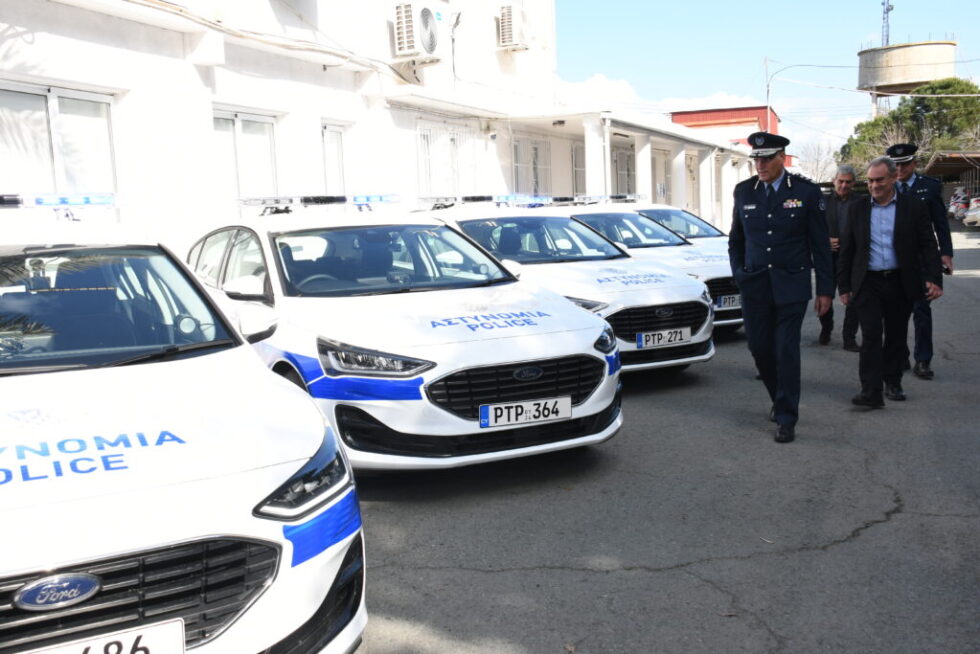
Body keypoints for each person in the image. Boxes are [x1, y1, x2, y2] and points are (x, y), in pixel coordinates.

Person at [729, 132, 833, 443]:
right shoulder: (744, 191)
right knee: (759, 348)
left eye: (765, 159)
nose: (759, 165)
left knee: (786, 350)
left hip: (791, 284)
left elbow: (820, 245)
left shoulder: (805, 192)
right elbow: (736, 241)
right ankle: (779, 397)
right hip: (755, 285)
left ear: (781, 158)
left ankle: (787, 417)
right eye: (756, 160)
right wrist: (739, 273)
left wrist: (825, 289)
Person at [838, 156, 943, 408]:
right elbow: (847, 250)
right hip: (868, 282)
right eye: (870, 181)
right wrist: (844, 286)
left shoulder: (913, 207)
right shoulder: (857, 209)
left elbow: (928, 244)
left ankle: (893, 382)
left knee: (896, 336)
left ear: (894, 178)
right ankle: (870, 392)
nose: (874, 186)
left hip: (900, 281)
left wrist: (934, 278)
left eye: (880, 180)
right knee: (871, 336)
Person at [886, 143, 953, 380]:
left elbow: (941, 224)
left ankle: (923, 360)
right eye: (896, 165)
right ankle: (901, 355)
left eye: (905, 164)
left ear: (914, 163)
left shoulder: (930, 187)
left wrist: (946, 253)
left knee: (922, 311)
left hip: (921, 260)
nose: (900, 169)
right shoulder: (886, 186)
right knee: (895, 312)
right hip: (893, 258)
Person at [819, 164, 863, 351]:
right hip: (829, 258)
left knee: (853, 300)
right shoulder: (822, 202)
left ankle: (849, 338)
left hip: (853, 260)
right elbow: (813, 229)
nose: (844, 185)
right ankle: (826, 327)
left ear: (853, 183)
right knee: (824, 296)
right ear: (834, 181)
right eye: (840, 181)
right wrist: (824, 242)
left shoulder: (862, 202)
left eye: (848, 182)